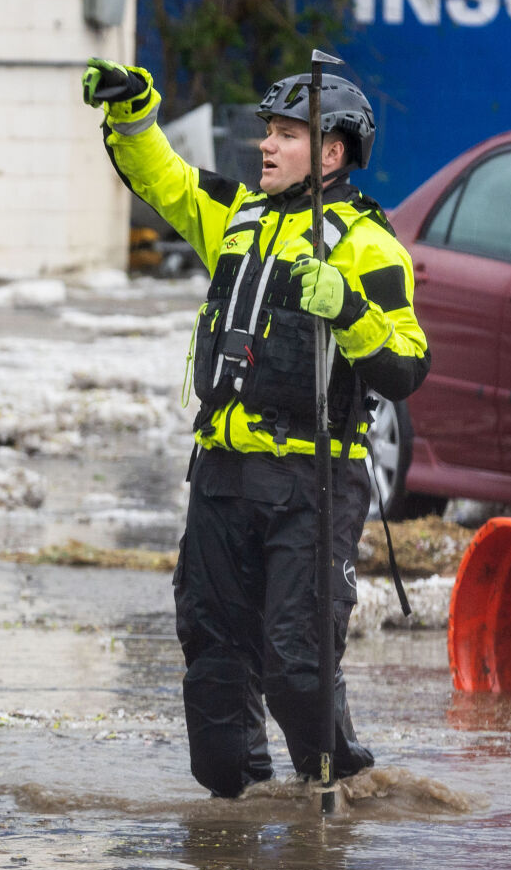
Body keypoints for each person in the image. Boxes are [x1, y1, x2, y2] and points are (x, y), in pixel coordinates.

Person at [81, 57, 429, 798]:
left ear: (331, 153)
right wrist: (131, 116)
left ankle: (336, 790)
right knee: (210, 657)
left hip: (311, 482)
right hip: (219, 476)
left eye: (285, 135)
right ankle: (235, 812)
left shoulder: (370, 246)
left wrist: (348, 308)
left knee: (296, 664)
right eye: (265, 133)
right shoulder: (234, 219)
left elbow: (405, 364)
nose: (265, 146)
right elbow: (164, 180)